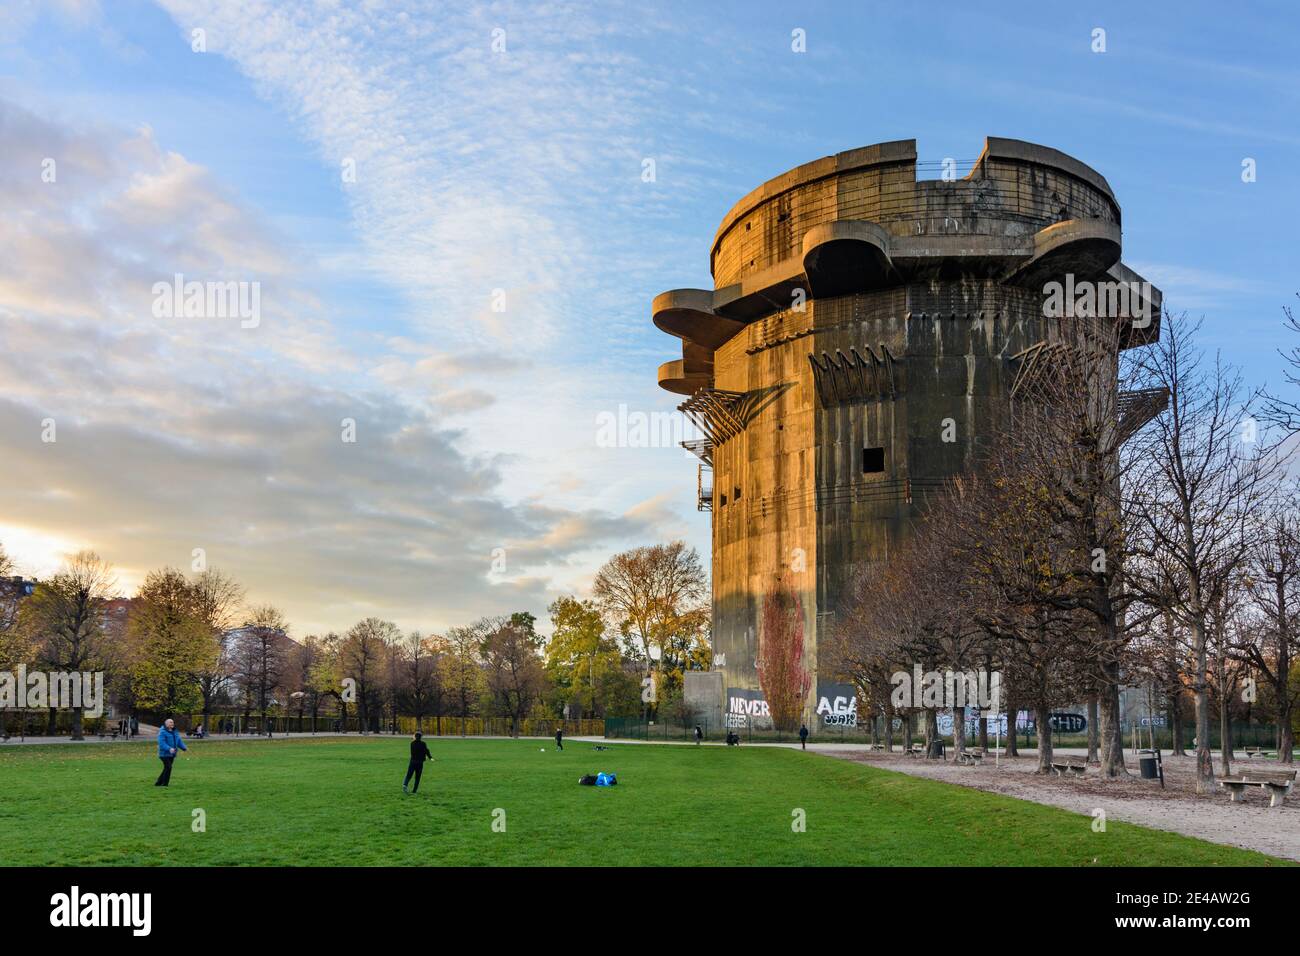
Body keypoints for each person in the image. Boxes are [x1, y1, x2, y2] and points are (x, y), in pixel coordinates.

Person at [155, 718, 187, 787]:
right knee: (168, 767)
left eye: (172, 722)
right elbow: (161, 743)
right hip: (164, 754)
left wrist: (184, 747)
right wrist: (169, 748)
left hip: (172, 754)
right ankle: (165, 784)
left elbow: (179, 741)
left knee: (167, 768)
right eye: (170, 722)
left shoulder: (175, 731)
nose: (172, 723)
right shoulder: (162, 732)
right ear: (166, 724)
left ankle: (158, 782)